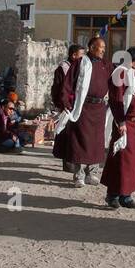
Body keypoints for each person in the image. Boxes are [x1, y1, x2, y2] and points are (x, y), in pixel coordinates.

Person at [101, 52, 135, 209]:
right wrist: (121, 121)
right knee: (120, 160)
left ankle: (126, 195)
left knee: (132, 162)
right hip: (125, 123)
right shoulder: (120, 73)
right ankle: (113, 195)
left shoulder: (134, 75)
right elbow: (116, 100)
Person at [64, 35, 113, 186]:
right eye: (101, 47)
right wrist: (66, 102)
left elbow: (116, 80)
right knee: (80, 140)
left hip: (99, 108)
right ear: (92, 48)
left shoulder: (106, 64)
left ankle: (92, 173)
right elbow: (68, 84)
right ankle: (78, 175)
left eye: (104, 48)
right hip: (83, 107)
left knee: (96, 142)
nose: (103, 50)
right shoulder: (80, 63)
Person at [51, 45, 84, 173]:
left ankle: (75, 160)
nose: (83, 58)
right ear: (73, 55)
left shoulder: (81, 68)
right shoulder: (63, 69)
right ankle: (67, 162)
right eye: (81, 55)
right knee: (66, 135)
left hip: (78, 106)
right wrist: (61, 105)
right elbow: (57, 89)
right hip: (66, 107)